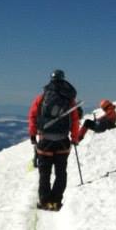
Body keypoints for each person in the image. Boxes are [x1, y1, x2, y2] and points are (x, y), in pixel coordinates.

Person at [27, 69, 81, 211]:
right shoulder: (69, 99)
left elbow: (33, 116)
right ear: (63, 79)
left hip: (45, 141)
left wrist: (33, 135)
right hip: (63, 142)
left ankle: (44, 201)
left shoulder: (42, 97)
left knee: (45, 173)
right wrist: (74, 138)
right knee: (61, 172)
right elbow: (75, 120)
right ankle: (56, 201)